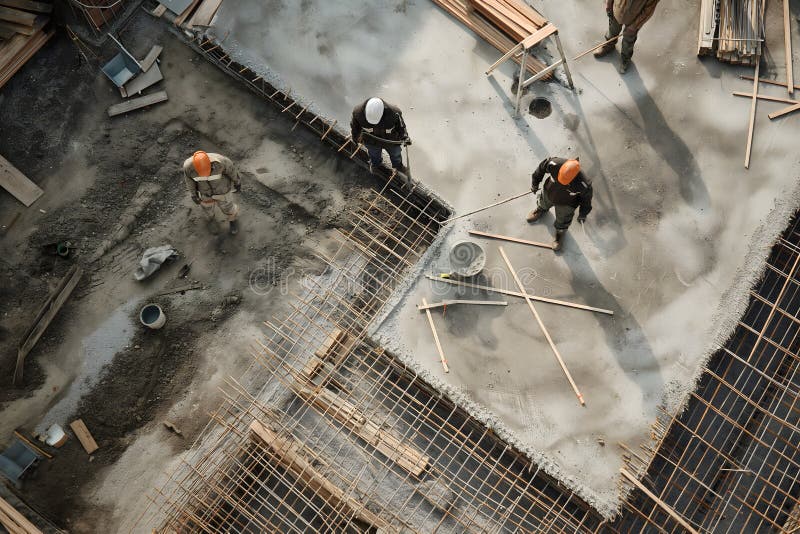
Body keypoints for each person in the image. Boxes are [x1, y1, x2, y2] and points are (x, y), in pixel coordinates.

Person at [527, 157, 593, 252]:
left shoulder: (584, 184)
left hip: (566, 203)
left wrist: (583, 214)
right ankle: (540, 209)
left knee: (563, 219)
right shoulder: (554, 164)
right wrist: (535, 184)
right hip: (549, 192)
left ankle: (560, 233)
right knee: (543, 202)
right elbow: (540, 169)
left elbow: (586, 201)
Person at [593, 0, 661, 73]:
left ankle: (625, 59)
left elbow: (648, 11)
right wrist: (609, 4)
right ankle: (609, 45)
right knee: (612, 30)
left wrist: (634, 26)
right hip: (617, 10)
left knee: (628, 40)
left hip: (634, 18)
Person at [183, 150, 241, 235]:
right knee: (207, 208)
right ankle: (211, 220)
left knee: (228, 207)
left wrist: (237, 182)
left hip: (222, 190)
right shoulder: (188, 168)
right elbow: (189, 181)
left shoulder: (221, 162)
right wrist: (193, 194)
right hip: (205, 193)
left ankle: (233, 220)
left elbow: (232, 171)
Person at [350, 97, 410, 173]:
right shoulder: (358, 113)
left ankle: (398, 166)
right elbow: (355, 127)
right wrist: (355, 138)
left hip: (391, 140)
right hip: (371, 141)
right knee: (374, 155)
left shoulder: (394, 113)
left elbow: (401, 127)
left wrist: (405, 137)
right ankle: (375, 164)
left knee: (396, 155)